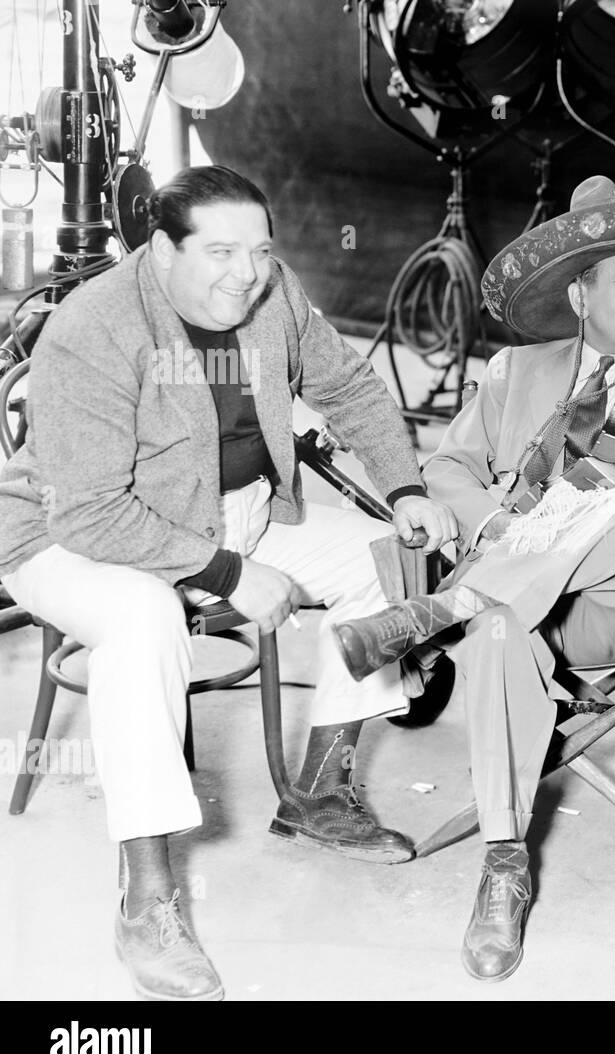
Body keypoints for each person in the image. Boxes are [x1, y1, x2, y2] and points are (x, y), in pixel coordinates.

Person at [0, 166, 457, 1000]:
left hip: (228, 513)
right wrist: (228, 575)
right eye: (219, 251)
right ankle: (146, 901)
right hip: (70, 541)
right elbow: (92, 512)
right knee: (142, 621)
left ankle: (318, 794)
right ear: (161, 249)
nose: (244, 273)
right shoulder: (90, 328)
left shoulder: (271, 291)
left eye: (258, 249)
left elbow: (349, 386)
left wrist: (405, 487)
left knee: (384, 562)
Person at [332, 175, 615, 982]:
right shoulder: (515, 371)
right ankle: (504, 863)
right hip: (521, 598)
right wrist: (493, 516)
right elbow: (449, 465)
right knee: (497, 629)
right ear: (578, 293)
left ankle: (439, 606)